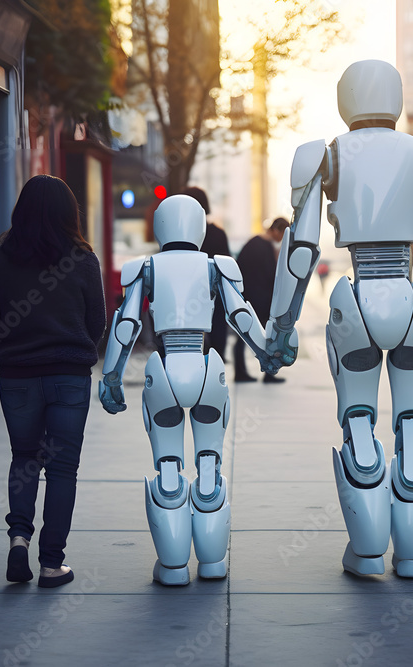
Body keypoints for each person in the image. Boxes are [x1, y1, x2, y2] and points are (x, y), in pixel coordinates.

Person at [264, 60, 413, 579]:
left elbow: (299, 249)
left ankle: (366, 552)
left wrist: (281, 326)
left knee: (358, 422)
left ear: (346, 99)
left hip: (357, 297)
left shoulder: (325, 155)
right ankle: (412, 556)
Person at [97, 194, 273, 585]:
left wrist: (111, 376)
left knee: (169, 469)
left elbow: (126, 325)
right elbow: (241, 314)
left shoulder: (145, 267)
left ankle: (174, 566)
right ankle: (212, 562)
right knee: (209, 466)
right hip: (206, 367)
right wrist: (266, 352)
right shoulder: (215, 266)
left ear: (160, 226)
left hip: (165, 372)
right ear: (200, 227)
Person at [0, 174, 107, 588]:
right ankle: (52, 565)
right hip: (69, 377)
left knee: (24, 458)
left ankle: (18, 539)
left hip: (17, 378)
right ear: (70, 213)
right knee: (63, 470)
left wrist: (10, 351)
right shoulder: (84, 261)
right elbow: (97, 324)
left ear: (21, 211)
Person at [234, 217, 289, 383]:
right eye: (282, 236)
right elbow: (272, 275)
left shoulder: (252, 243)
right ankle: (269, 373)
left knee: (242, 336)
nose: (281, 240)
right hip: (263, 300)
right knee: (270, 337)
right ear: (277, 231)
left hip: (248, 298)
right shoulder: (265, 247)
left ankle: (240, 371)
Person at [183, 186, 230, 359]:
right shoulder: (218, 234)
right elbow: (225, 267)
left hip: (187, 295)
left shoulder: (182, 235)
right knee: (218, 327)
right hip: (213, 292)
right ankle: (216, 361)